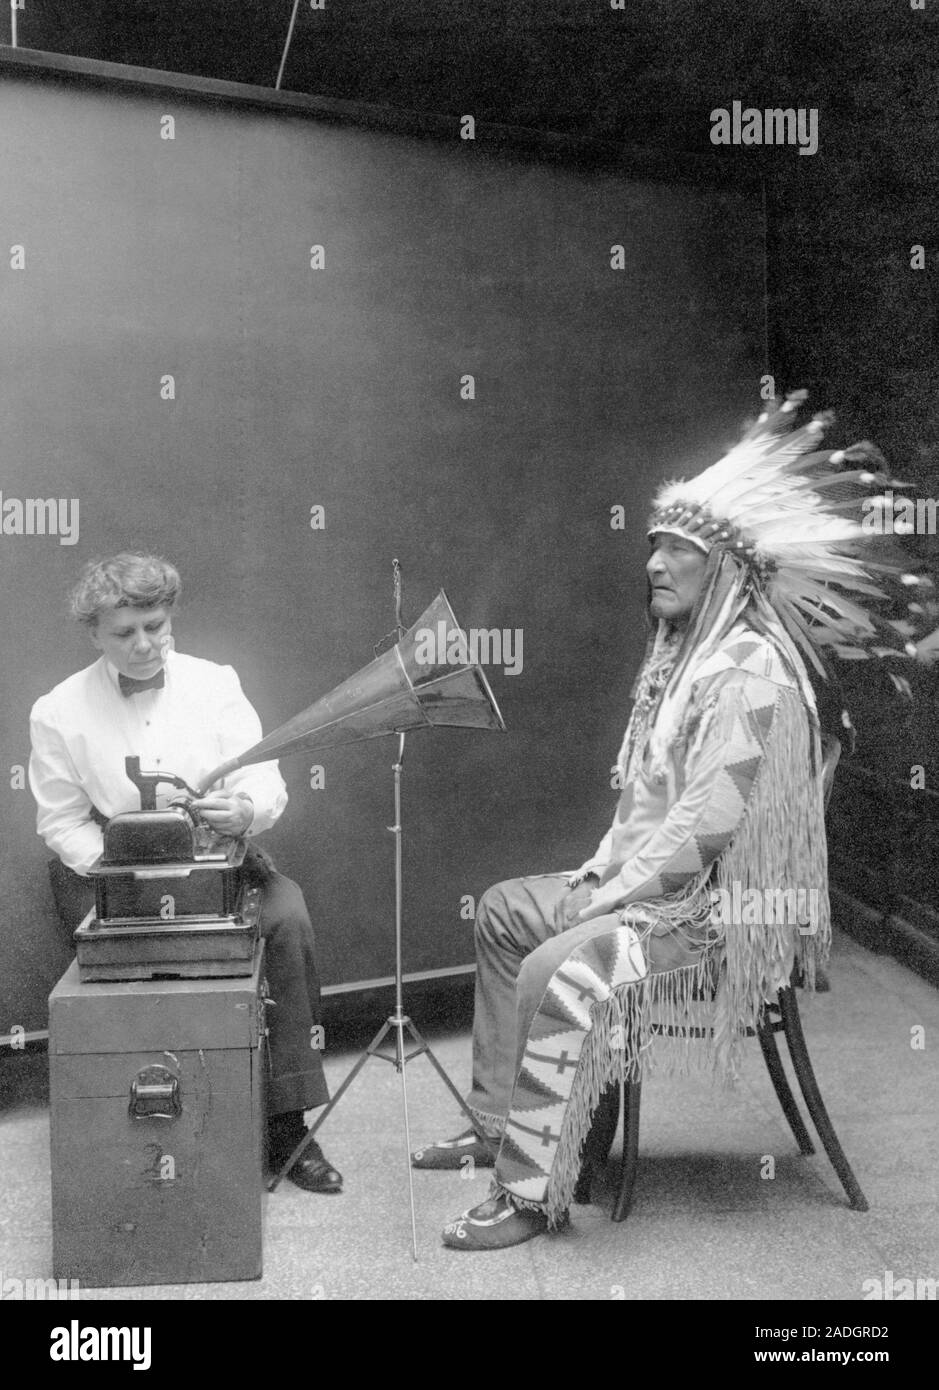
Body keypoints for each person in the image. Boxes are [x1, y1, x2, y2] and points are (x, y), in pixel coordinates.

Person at [412, 391, 931, 1250]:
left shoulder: (749, 675)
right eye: (653, 544)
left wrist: (605, 897)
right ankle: (502, 1123)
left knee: (561, 962)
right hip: (662, 890)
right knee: (507, 909)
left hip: (721, 916)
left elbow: (703, 834)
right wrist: (601, 878)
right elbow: (653, 806)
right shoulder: (684, 660)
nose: (654, 562)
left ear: (723, 571)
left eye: (676, 549)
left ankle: (530, 1191)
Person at [29, 552, 343, 1195]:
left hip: (219, 859)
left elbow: (263, 776)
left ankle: (289, 1125)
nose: (145, 645)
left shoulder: (216, 683)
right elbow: (59, 821)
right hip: (118, 876)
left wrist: (247, 808)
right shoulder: (57, 711)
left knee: (285, 919)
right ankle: (150, 1123)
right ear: (95, 635)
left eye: (156, 626)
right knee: (132, 958)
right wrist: (122, 864)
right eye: (125, 633)